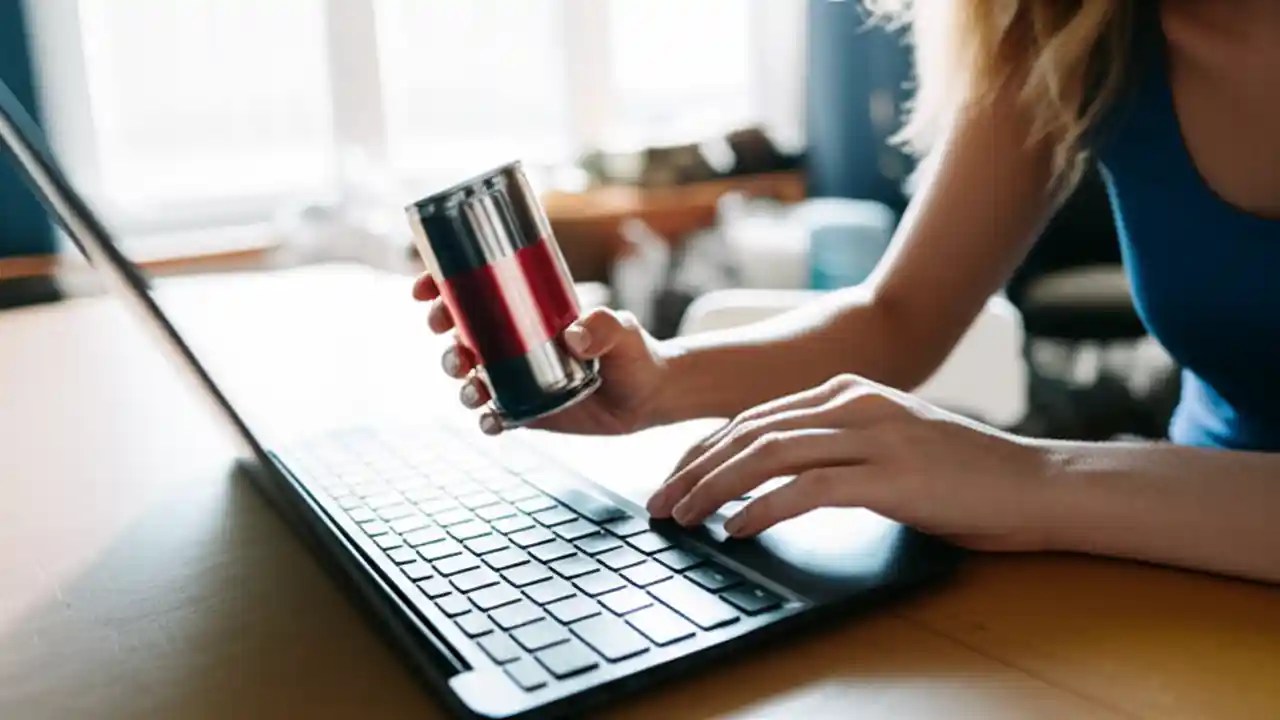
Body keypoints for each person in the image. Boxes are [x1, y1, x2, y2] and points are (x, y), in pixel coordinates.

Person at [413, 1, 1280, 583]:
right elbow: (897, 317)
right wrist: (659, 383)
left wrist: (1032, 475)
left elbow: (1032, 474)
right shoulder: (1077, 29)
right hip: (1184, 564)